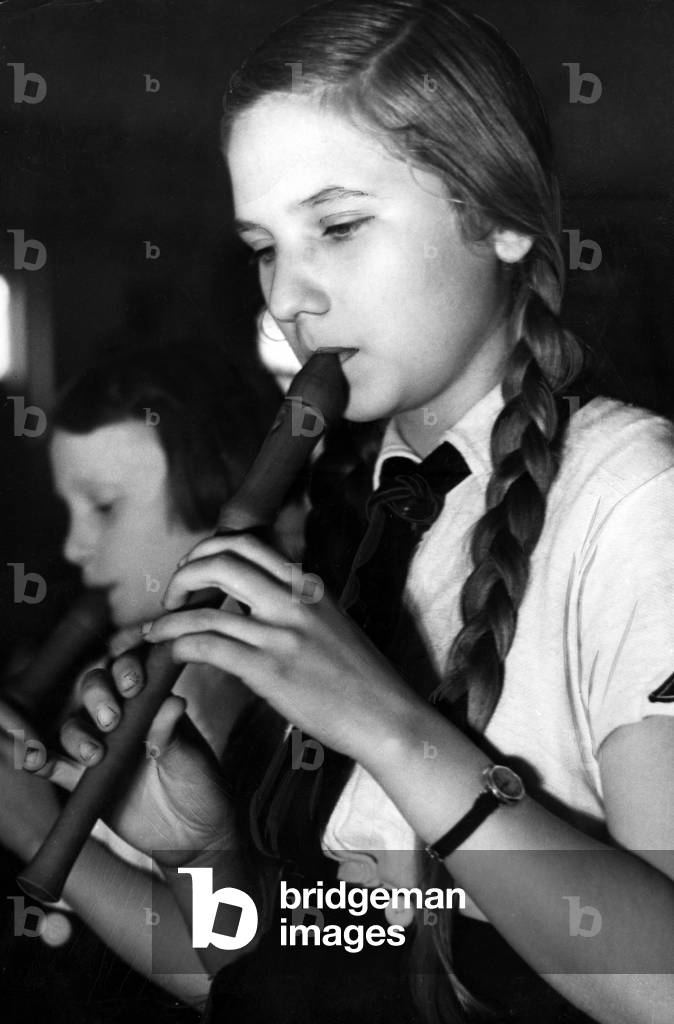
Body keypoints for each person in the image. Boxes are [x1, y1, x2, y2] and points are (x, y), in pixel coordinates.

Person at [28, 3, 674, 1022]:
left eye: (336, 226)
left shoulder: (632, 495)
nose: (291, 293)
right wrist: (200, 848)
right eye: (261, 245)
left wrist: (381, 722)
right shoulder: (349, 505)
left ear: (501, 215)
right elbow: (252, 967)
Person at [1, 339, 299, 1010]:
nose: (75, 546)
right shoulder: (124, 650)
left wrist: (34, 831)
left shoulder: (232, 687)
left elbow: (228, 971)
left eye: (104, 507)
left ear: (218, 499)